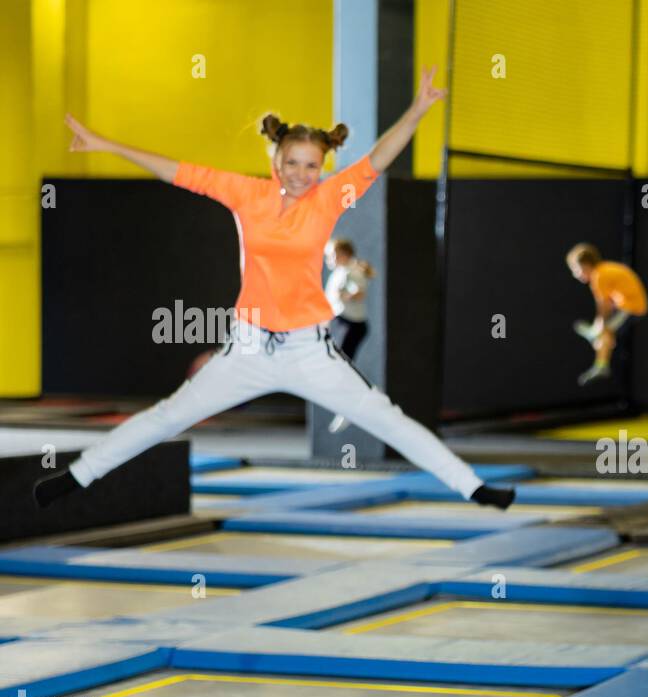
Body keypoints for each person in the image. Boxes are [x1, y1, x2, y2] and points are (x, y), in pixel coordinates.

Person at [35, 66, 514, 511]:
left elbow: (378, 159)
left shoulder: (329, 200)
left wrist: (416, 110)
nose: (301, 175)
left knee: (385, 417)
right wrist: (105, 144)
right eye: (292, 163)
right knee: (168, 415)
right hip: (247, 349)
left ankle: (473, 487)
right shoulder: (246, 194)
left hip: (308, 350)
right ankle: (76, 475)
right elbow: (176, 171)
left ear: (322, 167)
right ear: (276, 161)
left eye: (311, 166)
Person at [565, 243, 648, 385]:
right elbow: (609, 302)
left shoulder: (599, 276)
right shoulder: (604, 271)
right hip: (625, 305)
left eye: (576, 269)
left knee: (605, 333)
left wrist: (601, 328)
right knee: (604, 336)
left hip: (632, 307)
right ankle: (597, 339)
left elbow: (604, 306)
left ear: (586, 265)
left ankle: (601, 364)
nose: (575, 274)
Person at [323, 237, 374, 434]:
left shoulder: (352, 271)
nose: (328, 259)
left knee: (341, 368)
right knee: (337, 368)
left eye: (331, 255)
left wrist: (344, 295)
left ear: (342, 254)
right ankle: (353, 402)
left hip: (350, 325)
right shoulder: (340, 272)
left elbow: (359, 293)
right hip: (341, 324)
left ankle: (352, 405)